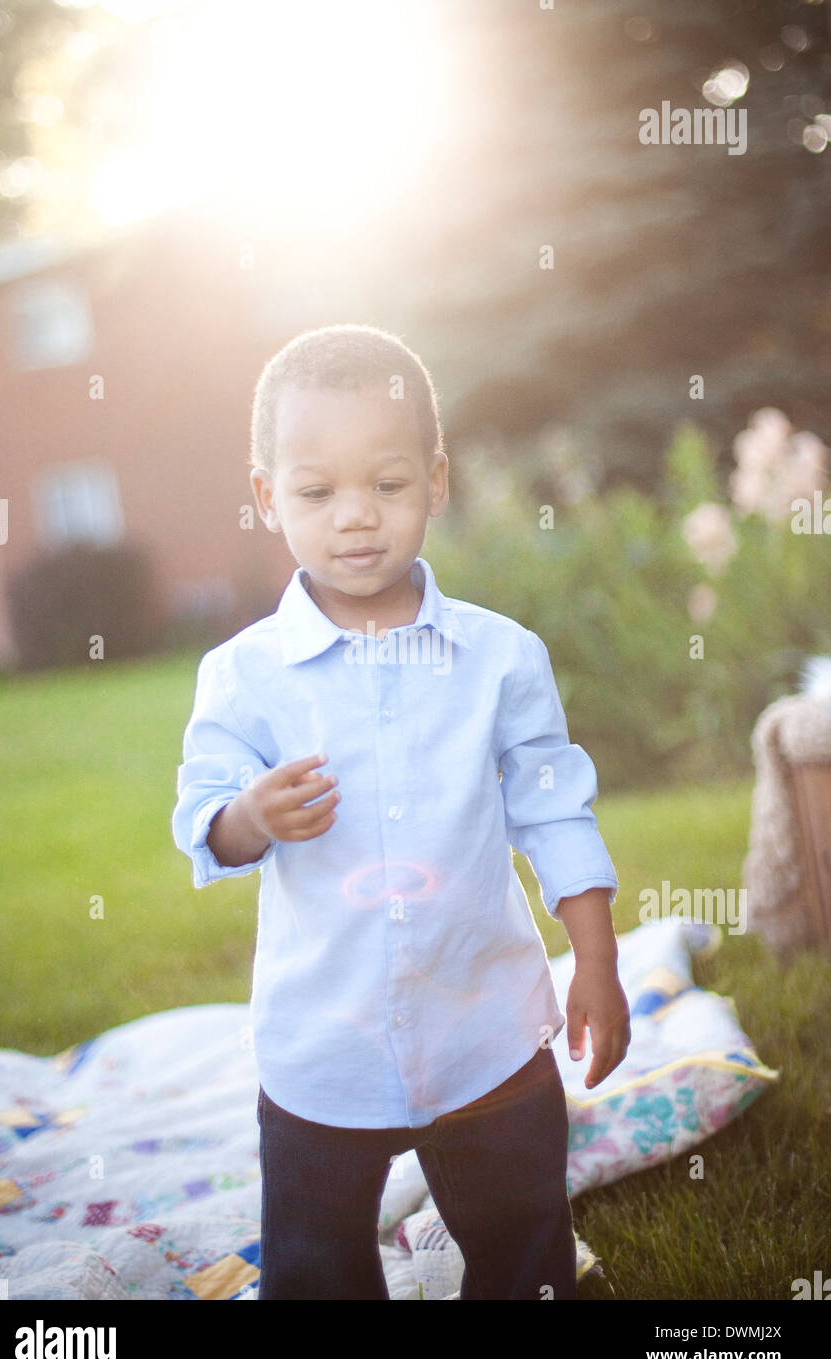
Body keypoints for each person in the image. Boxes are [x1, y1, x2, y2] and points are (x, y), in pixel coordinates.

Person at [171, 323, 630, 1300]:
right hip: (319, 1044)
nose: (355, 518)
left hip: (485, 1030)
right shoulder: (243, 675)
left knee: (522, 1244)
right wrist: (250, 815)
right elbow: (203, 815)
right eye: (315, 491)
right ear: (266, 497)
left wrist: (592, 958)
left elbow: (554, 808)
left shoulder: (499, 658)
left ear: (436, 479)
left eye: (386, 484)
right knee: (314, 1265)